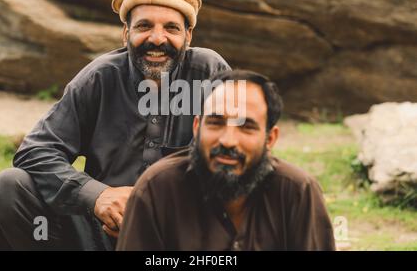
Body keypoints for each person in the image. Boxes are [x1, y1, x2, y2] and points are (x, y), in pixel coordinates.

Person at [0, 0, 230, 250]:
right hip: (101, 234)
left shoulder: (209, 73)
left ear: (188, 36)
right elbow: (36, 151)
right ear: (126, 34)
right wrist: (98, 196)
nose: (157, 38)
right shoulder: (100, 77)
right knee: (10, 187)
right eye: (144, 26)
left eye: (171, 28)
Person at [117, 70, 335, 251]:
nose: (229, 141)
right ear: (196, 128)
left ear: (270, 138)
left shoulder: (297, 192)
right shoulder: (156, 189)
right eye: (215, 122)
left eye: (246, 127)